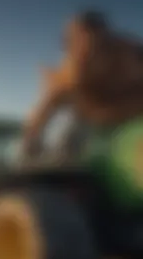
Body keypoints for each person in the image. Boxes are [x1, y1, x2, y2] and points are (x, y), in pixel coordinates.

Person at [21, 10, 143, 158]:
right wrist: (30, 142)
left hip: (131, 108)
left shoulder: (130, 56)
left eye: (98, 46)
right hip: (91, 116)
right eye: (74, 45)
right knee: (68, 146)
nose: (85, 54)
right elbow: (42, 112)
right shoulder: (66, 77)